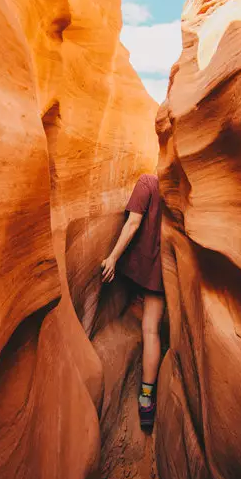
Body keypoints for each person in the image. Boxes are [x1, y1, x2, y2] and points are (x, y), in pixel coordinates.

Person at [101, 173, 165, 429]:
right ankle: (146, 401)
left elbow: (132, 224)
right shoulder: (176, 187)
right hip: (164, 271)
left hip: (145, 266)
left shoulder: (147, 183)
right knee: (152, 330)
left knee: (147, 327)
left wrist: (113, 258)